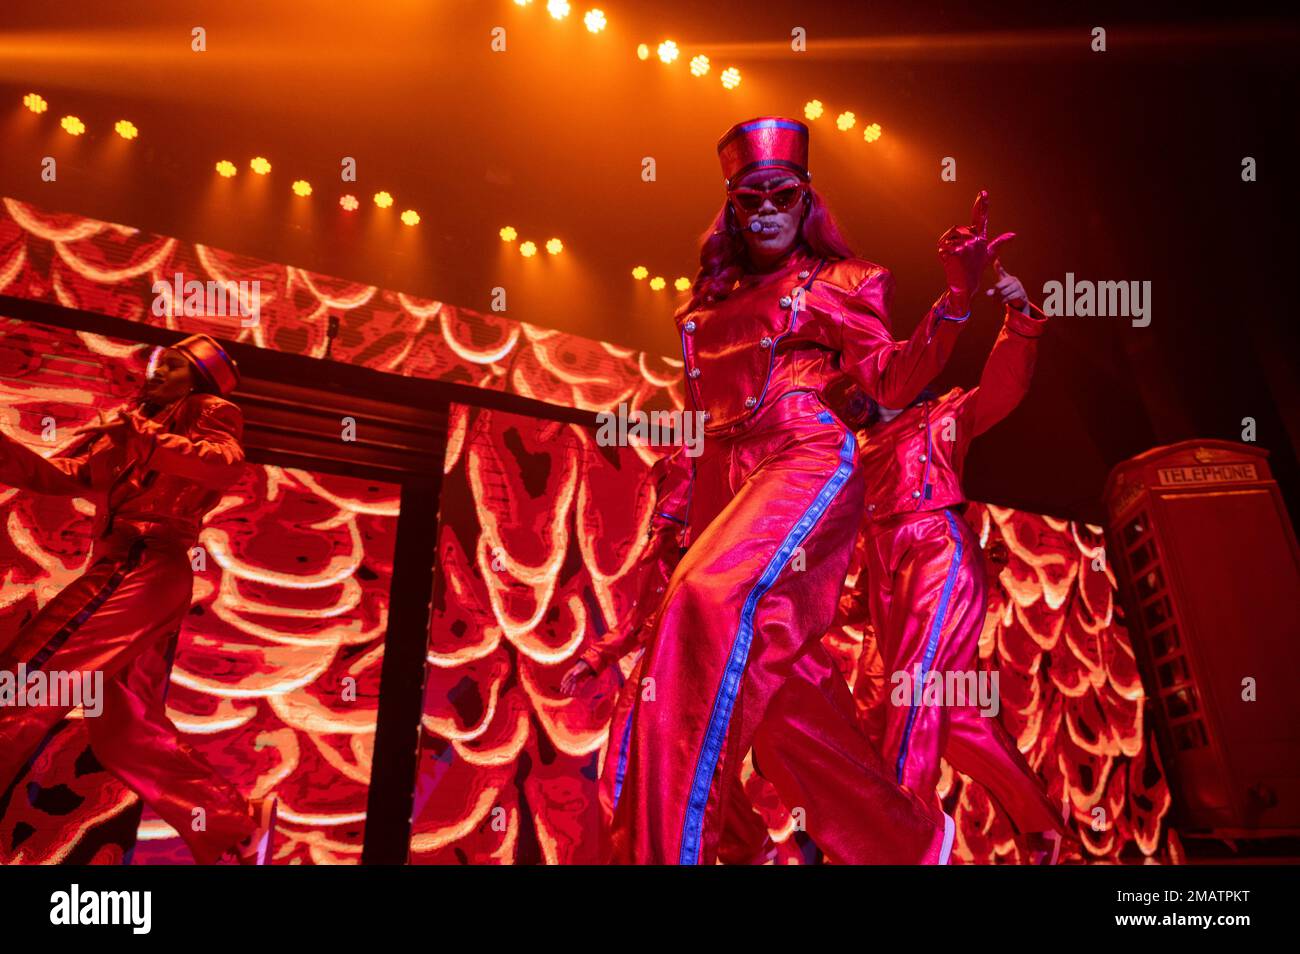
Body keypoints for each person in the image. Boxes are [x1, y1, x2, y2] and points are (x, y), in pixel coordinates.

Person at [608, 115, 1011, 865]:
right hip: (721, 489)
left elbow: (889, 378)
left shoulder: (846, 284)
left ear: (805, 202)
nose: (765, 210)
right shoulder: (698, 314)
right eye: (749, 197)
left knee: (704, 609)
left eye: (781, 195)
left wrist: (958, 299)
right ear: (731, 205)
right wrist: (665, 535)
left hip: (804, 460)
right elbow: (697, 434)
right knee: (783, 698)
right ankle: (907, 845)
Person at [0, 334, 277, 865]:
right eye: (154, 362)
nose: (154, 371)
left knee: (28, 677)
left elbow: (220, 464)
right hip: (139, 574)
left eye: (170, 365)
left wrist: (141, 435)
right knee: (126, 730)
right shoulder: (127, 425)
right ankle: (234, 829)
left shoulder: (209, 411)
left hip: (143, 561)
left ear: (197, 379)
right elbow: (62, 476)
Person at [851, 264, 1071, 860]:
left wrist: (1020, 318)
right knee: (947, 710)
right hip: (885, 570)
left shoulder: (943, 416)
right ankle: (1039, 820)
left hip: (935, 549)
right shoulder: (851, 450)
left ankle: (903, 836)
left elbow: (1005, 387)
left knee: (914, 687)